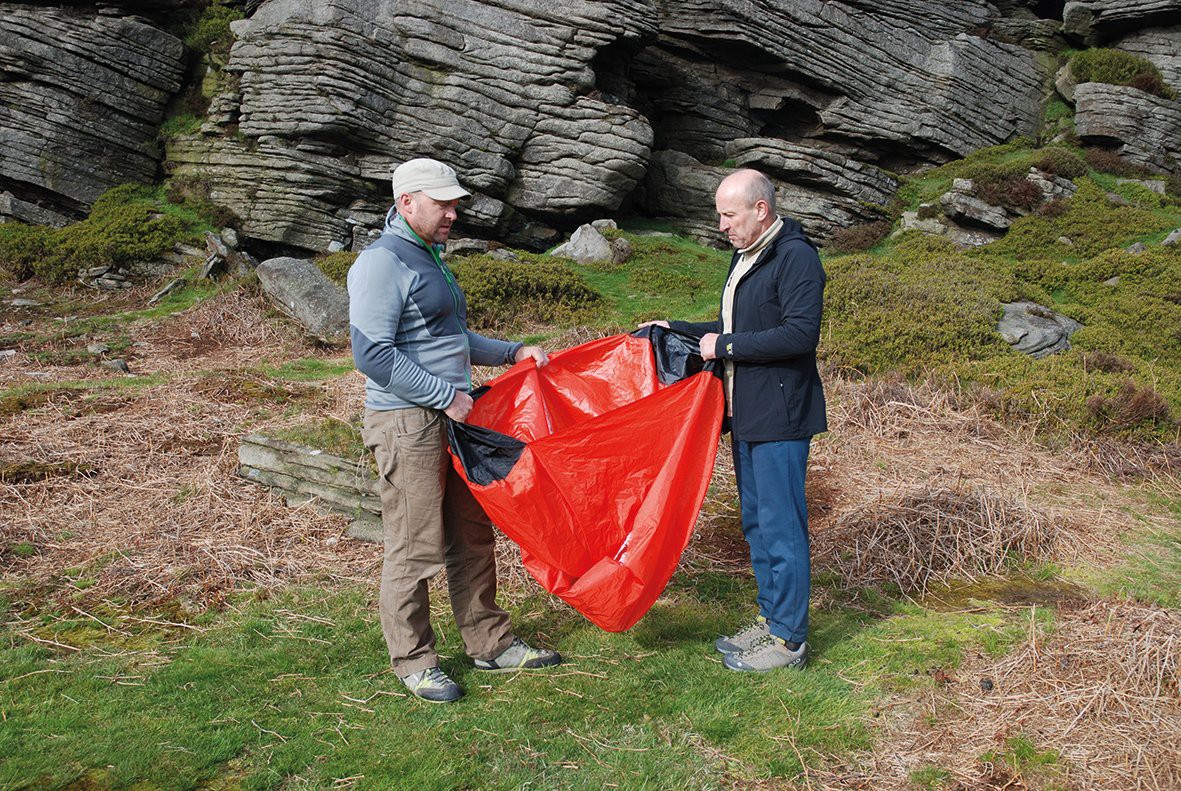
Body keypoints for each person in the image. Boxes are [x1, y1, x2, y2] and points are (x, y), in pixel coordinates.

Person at [347, 157, 561, 703]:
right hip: (407, 422)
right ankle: (414, 661)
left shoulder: (429, 258)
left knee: (471, 536)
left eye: (454, 202)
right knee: (414, 545)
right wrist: (446, 396)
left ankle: (489, 642)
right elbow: (371, 354)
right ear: (406, 203)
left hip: (453, 419)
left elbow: (452, 337)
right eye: (441, 203)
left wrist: (513, 352)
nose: (452, 212)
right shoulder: (381, 263)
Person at [642, 169, 826, 672]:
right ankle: (772, 621)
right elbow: (734, 326)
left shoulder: (796, 257)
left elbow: (798, 335)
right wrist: (675, 327)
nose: (721, 225)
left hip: (782, 417)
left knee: (782, 527)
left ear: (760, 210)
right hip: (744, 415)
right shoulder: (747, 255)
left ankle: (790, 642)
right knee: (757, 525)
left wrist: (724, 347)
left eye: (729, 214)